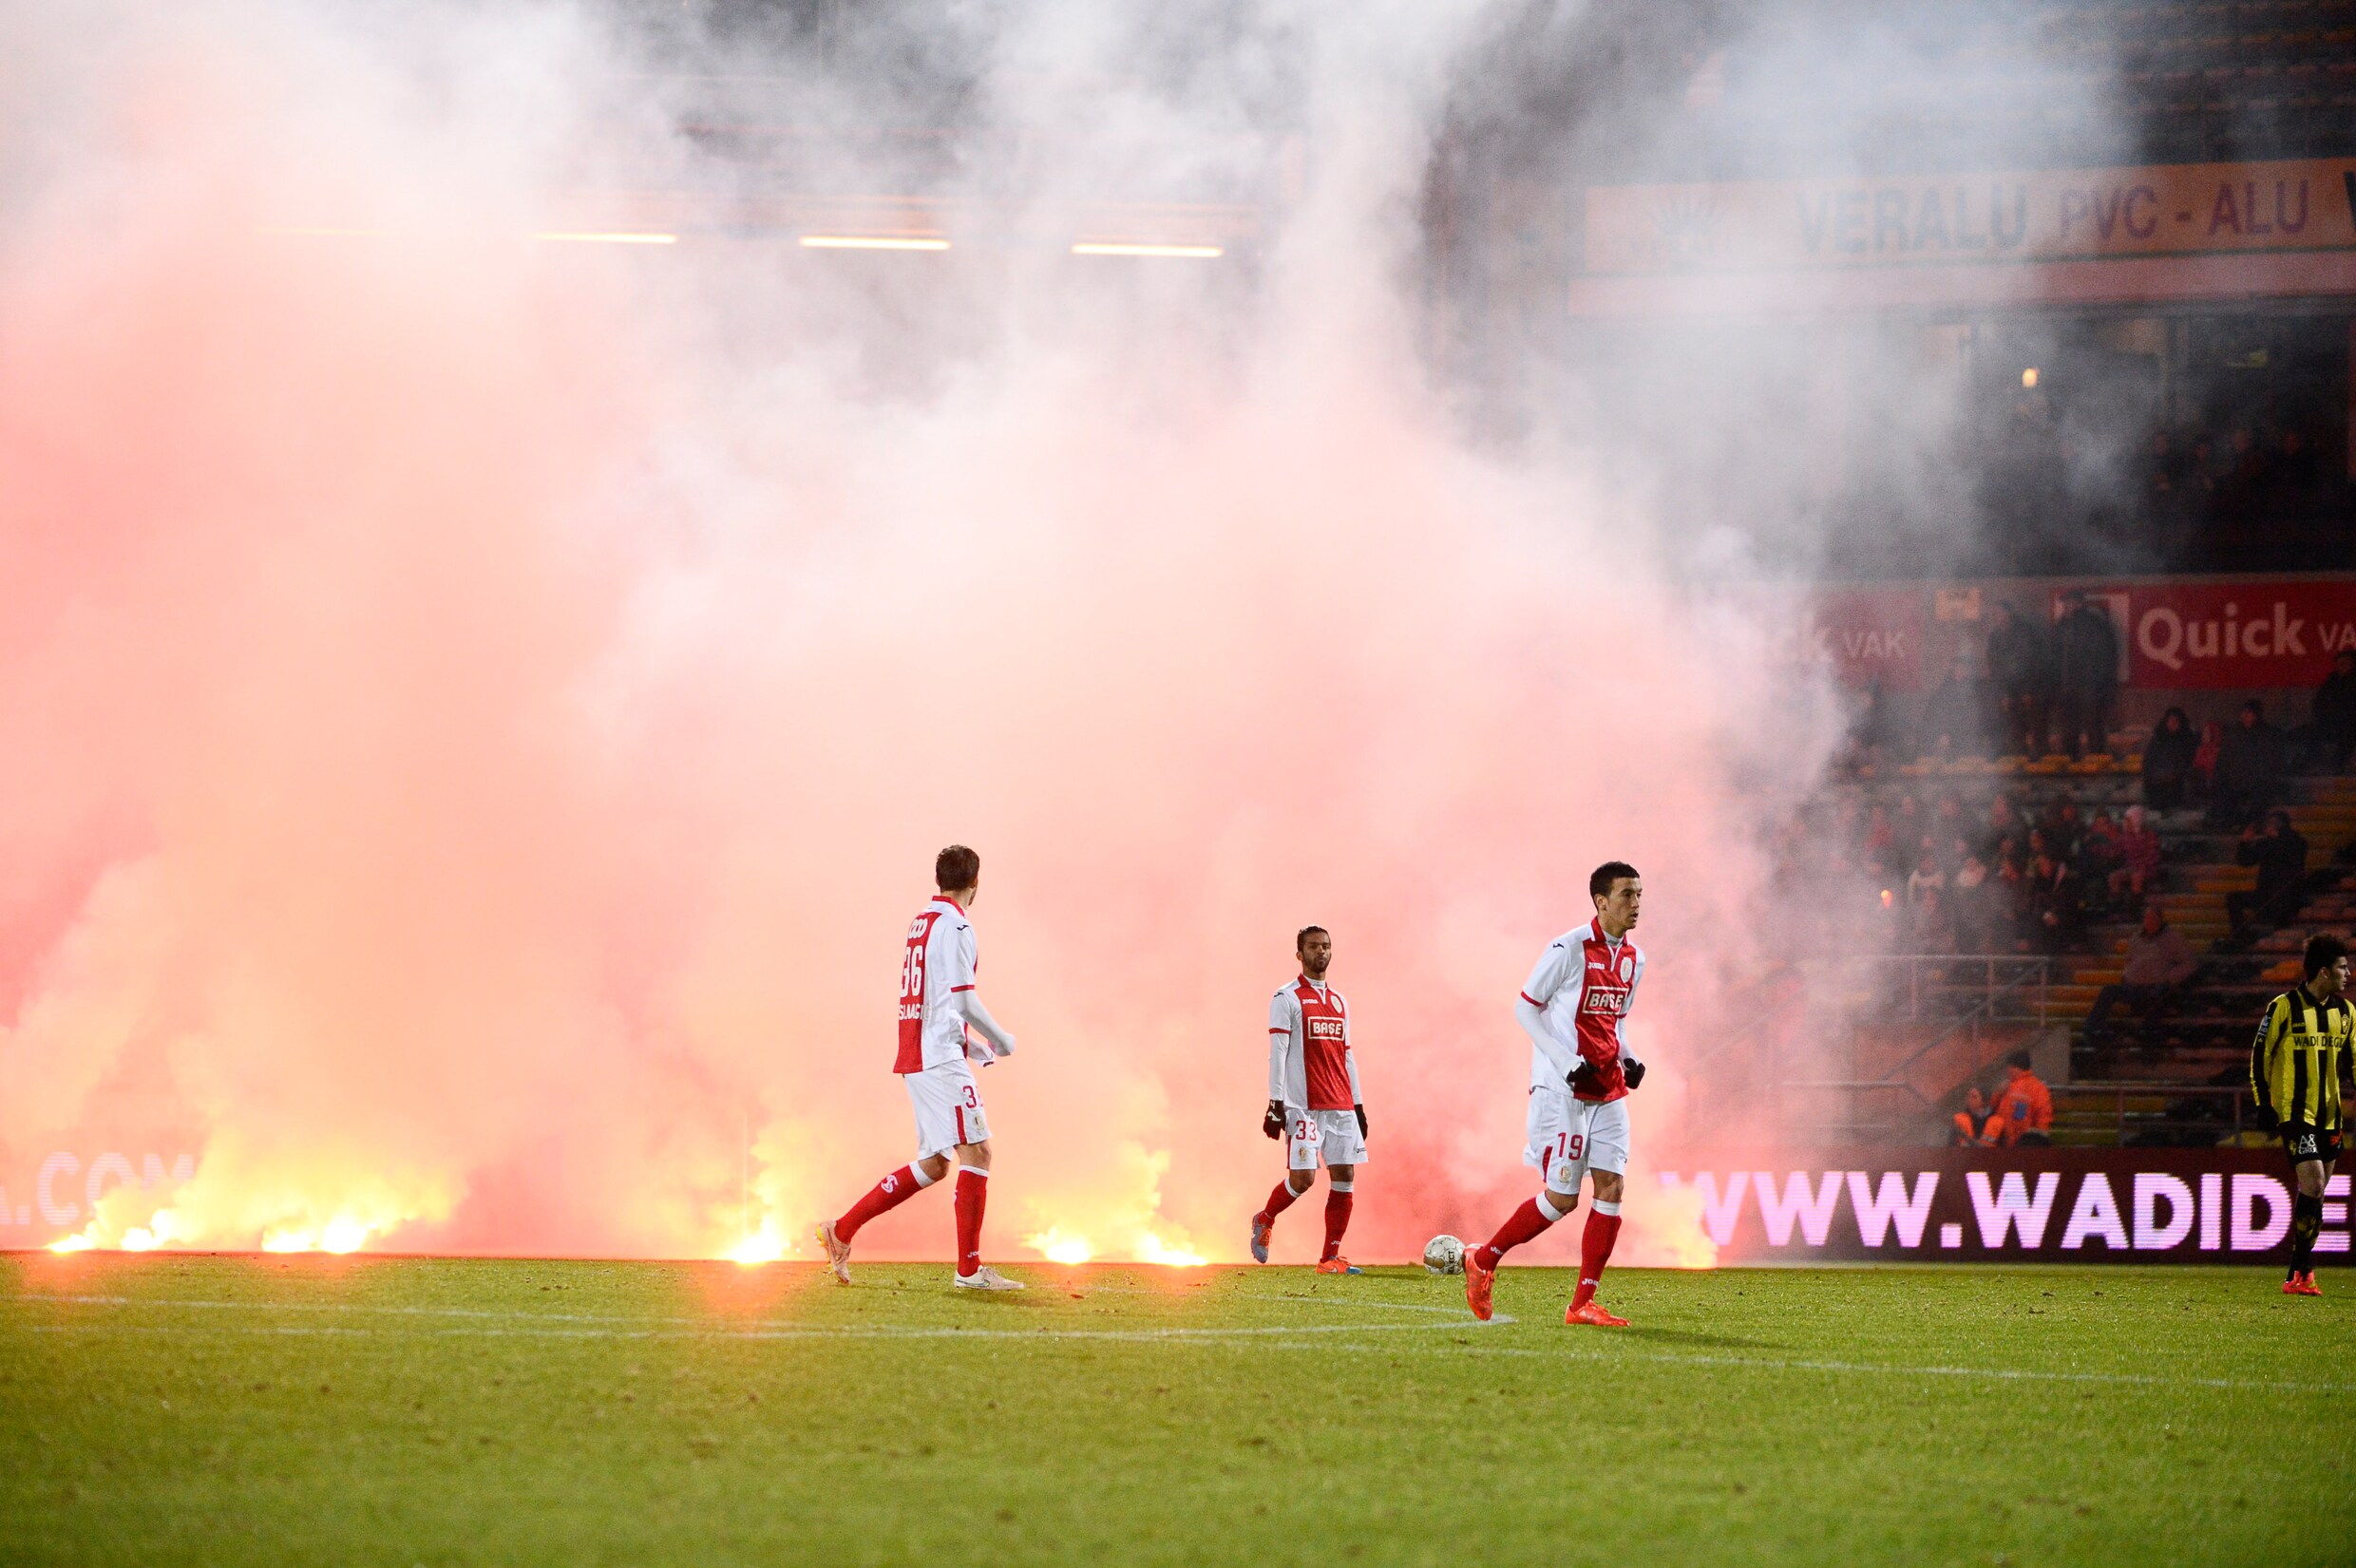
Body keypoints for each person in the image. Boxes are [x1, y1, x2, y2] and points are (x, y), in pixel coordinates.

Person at [816, 845, 1025, 1291]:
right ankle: (969, 1272)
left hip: (920, 1051)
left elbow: (934, 1002)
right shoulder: (957, 925)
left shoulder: (921, 923)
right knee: (978, 1152)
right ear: (976, 883)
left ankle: (842, 1230)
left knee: (934, 1164)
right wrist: (1001, 1038)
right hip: (936, 1058)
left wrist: (970, 1044)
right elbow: (963, 1000)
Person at [1464, 861, 1647, 1327]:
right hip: (1560, 1091)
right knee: (1561, 1200)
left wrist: (1627, 1056)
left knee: (1612, 1187)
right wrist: (1564, 1062)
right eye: (1627, 895)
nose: (1636, 904)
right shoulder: (1567, 949)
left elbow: (1614, 1021)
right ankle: (1484, 1259)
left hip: (1608, 1088)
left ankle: (1581, 1304)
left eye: (1639, 895)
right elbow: (1525, 1008)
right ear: (1601, 901)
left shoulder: (1634, 959)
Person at [1250, 925, 1369, 1275]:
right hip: (1303, 1106)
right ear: (1300, 954)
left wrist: (1359, 1105)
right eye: (1314, 946)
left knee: (1345, 1176)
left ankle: (1329, 1258)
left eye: (1327, 946)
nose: (1322, 952)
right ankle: (1264, 1218)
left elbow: (1347, 1055)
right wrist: (1275, 1104)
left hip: (1341, 1105)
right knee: (1303, 1180)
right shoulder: (1285, 998)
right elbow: (1278, 1050)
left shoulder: (1340, 1002)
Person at [2248, 934, 2352, 1296]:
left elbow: (2353, 1064)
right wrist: (2263, 1103)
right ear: (2323, 971)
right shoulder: (2283, 1007)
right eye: (2341, 967)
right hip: (2294, 1113)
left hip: (2330, 1116)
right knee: (2314, 1184)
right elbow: (2260, 1057)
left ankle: (2298, 1269)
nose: (2347, 973)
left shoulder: (2347, 1013)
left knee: (2317, 1195)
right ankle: (2305, 1270)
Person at [2080, 905, 2199, 1050]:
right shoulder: (2136, 938)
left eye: (2153, 918)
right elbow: (2130, 961)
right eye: (2147, 918)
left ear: (2160, 920)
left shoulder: (2172, 938)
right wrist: (2126, 975)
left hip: (2156, 988)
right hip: (2133, 987)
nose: (2149, 921)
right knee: (2108, 991)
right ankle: (2091, 1028)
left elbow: (2190, 963)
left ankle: (2147, 1039)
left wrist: (2170, 978)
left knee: (2158, 998)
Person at [2050, 591, 2122, 758]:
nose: (2065, 607)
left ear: (2079, 603)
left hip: (2089, 684)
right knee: (2069, 727)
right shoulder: (2061, 625)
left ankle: (2096, 761)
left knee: (2093, 726)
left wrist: (2100, 681)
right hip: (2067, 684)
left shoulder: (2093, 624)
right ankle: (2070, 761)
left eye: (2068, 602)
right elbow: (2054, 656)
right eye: (2064, 603)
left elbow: (2106, 654)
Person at [1985, 602, 2052, 757]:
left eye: (1999, 613)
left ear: (2008, 613)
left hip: (2030, 688)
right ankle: (2020, 761)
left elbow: (2032, 663)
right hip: (2009, 689)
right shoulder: (1995, 637)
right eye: (1995, 614)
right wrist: (2004, 694)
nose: (1996, 617)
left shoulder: (2025, 633)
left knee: (2037, 728)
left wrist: (2029, 690)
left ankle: (2042, 761)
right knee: (2016, 728)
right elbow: (1996, 667)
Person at [2227, 810, 2309, 935]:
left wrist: (2278, 835)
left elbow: (2293, 854)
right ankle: (2240, 934)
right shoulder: (2267, 844)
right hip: (2266, 894)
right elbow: (2245, 861)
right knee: (2234, 899)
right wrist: (2245, 842)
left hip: (2288, 895)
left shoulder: (2295, 841)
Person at [2210, 700, 2286, 830]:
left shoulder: (2266, 735)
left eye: (2248, 713)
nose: (2244, 716)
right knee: (2224, 794)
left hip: (2258, 782)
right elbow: (2223, 760)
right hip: (2235, 781)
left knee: (2259, 797)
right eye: (2243, 712)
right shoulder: (2234, 735)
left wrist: (2258, 777)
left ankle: (2251, 824)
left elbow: (2271, 761)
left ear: (2256, 715)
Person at [2302, 649, 2356, 772]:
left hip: (2350, 724)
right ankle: (2314, 762)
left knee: (2347, 735)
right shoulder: (2332, 681)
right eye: (2339, 663)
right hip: (2330, 722)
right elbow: (2319, 702)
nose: (2341, 666)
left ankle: (2337, 766)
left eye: (2345, 663)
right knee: (2311, 732)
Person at [2141, 708, 2197, 813]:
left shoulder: (2186, 740)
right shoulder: (2157, 739)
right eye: (2170, 720)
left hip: (2176, 783)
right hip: (2156, 782)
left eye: (2176, 721)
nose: (2172, 723)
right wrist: (2156, 775)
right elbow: (2148, 761)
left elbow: (2187, 762)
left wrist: (2173, 775)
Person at [2108, 803, 2162, 908]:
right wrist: (2096, 848)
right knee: (2114, 877)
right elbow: (2114, 850)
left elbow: (2154, 857)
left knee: (2137, 877)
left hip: (2148, 869)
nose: (2125, 823)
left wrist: (2141, 867)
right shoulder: (2126, 837)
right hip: (2131, 868)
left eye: (2128, 820)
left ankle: (2135, 907)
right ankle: (2116, 908)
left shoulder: (2150, 836)